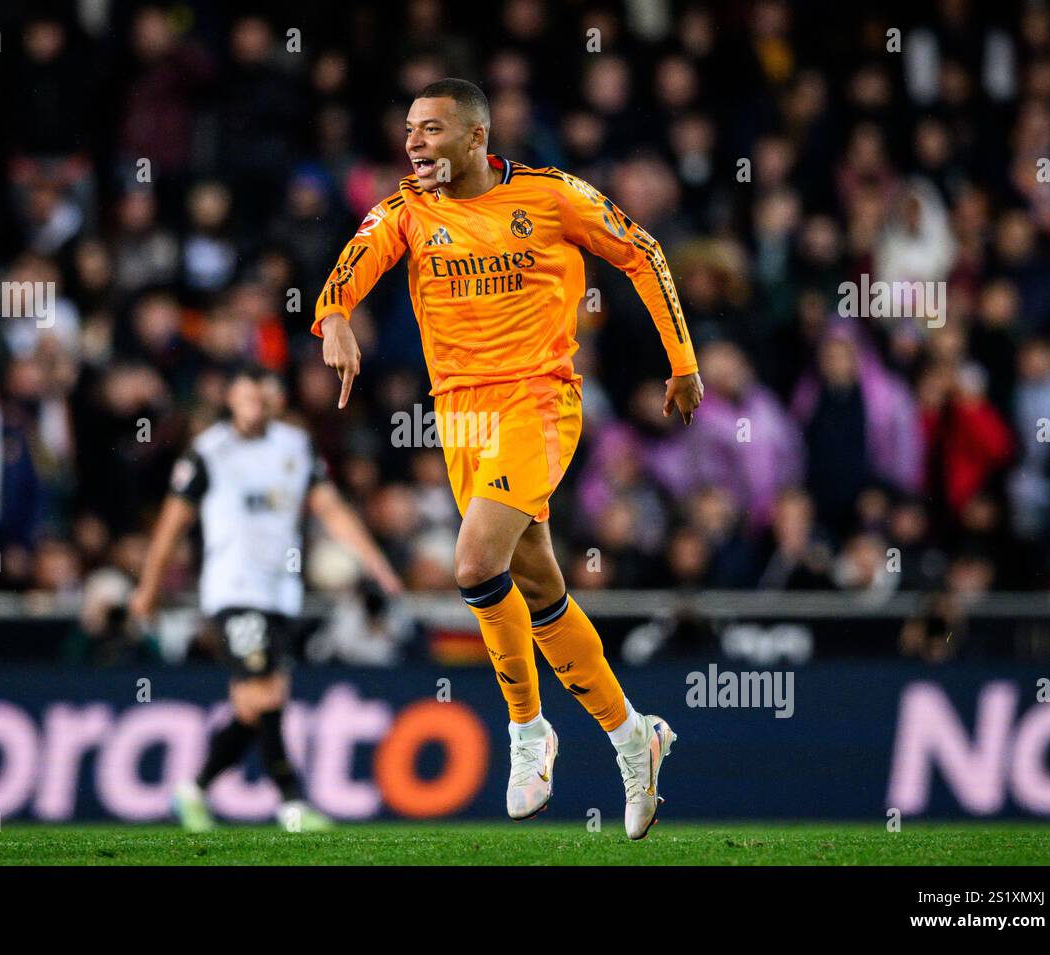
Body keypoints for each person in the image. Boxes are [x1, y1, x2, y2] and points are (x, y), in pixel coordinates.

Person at [313, 78, 704, 839]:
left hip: (538, 401)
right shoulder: (407, 210)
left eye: (430, 129)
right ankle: (634, 735)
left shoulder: (554, 196)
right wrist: (333, 317)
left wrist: (682, 361)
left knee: (471, 562)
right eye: (408, 129)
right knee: (536, 583)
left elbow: (643, 252)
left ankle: (529, 731)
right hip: (458, 416)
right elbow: (350, 265)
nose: (414, 143)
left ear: (474, 137)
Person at [129, 363, 402, 832]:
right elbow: (173, 524)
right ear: (231, 400)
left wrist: (378, 565)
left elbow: (330, 510)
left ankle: (192, 790)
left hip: (281, 592)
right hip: (233, 589)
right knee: (267, 690)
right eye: (248, 397)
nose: (257, 405)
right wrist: (149, 588)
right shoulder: (208, 452)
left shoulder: (295, 447)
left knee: (252, 706)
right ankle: (292, 804)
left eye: (264, 396)